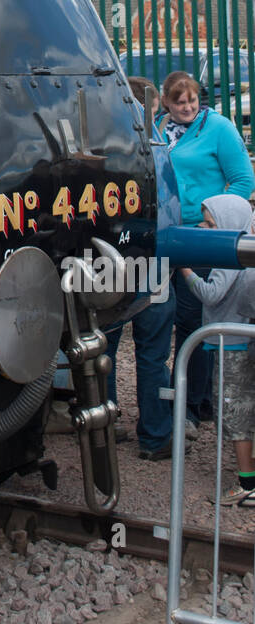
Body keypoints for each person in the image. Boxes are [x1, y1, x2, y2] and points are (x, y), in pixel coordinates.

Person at [158, 70, 255, 436]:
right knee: (160, 318)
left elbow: (244, 179)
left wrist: (213, 217)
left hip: (199, 234)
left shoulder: (217, 128)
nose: (187, 107)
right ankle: (180, 397)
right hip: (165, 231)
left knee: (193, 317)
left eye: (192, 100)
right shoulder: (158, 130)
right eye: (179, 102)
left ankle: (193, 405)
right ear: (166, 102)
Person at [104, 77, 175, 459]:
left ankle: (107, 421)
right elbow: (170, 209)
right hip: (155, 265)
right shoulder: (156, 150)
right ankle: (155, 436)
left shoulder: (98, 147)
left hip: (110, 264)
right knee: (152, 354)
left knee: (105, 352)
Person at [177, 194, 255, 506]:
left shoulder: (230, 258)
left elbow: (211, 295)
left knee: (234, 413)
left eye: (210, 223)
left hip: (230, 343)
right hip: (241, 339)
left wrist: (184, 270)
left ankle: (247, 484)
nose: (202, 226)